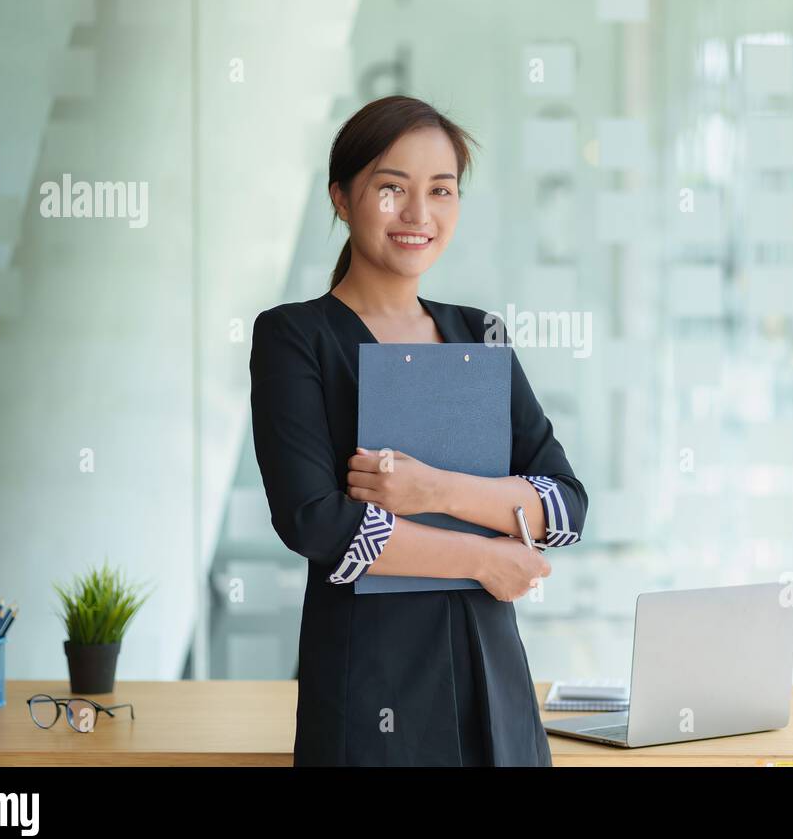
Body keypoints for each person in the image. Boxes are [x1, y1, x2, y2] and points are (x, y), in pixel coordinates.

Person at [249, 95, 589, 766]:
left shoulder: (479, 333)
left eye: (441, 191)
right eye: (391, 189)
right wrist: (484, 557)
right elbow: (316, 521)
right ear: (341, 199)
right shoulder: (297, 337)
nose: (419, 214)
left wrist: (435, 489)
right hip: (370, 690)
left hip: (495, 692)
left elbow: (563, 506)